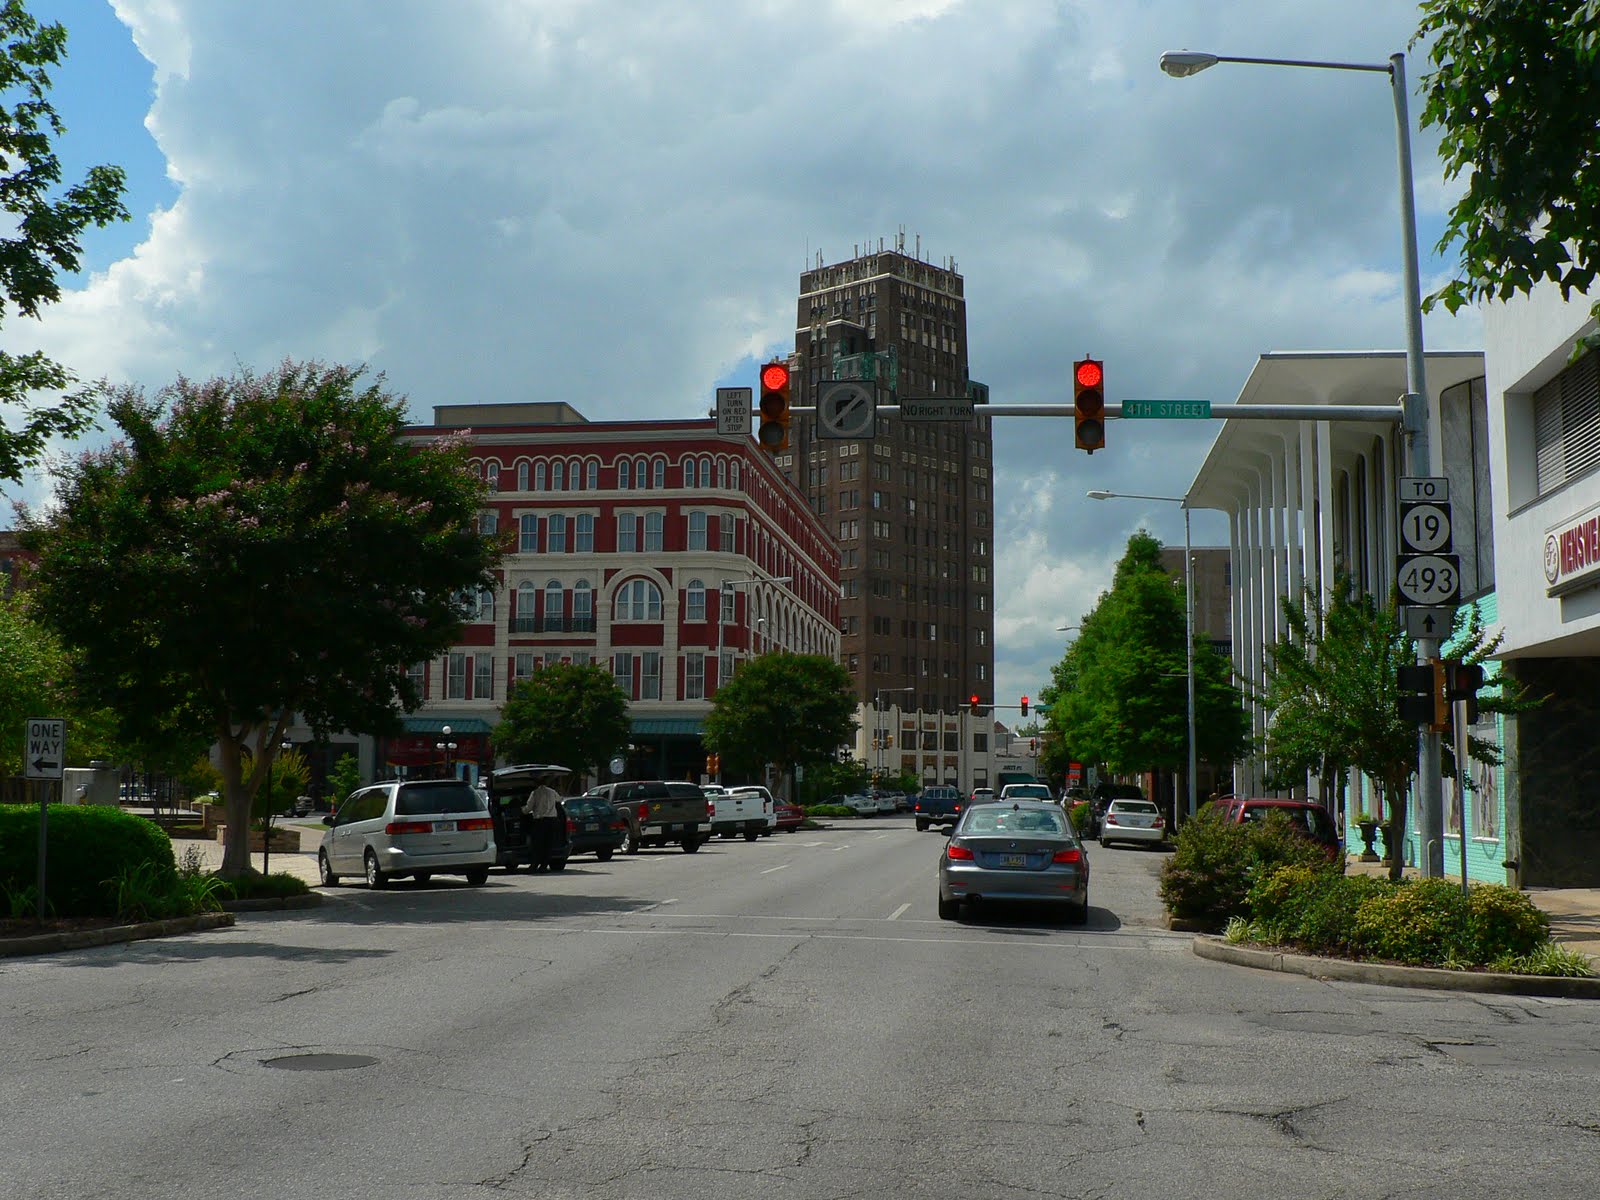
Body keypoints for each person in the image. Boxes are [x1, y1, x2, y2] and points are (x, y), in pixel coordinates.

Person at [523, 780, 563, 871]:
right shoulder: (552, 792)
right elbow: (559, 799)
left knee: (537, 844)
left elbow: (528, 808)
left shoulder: (535, 793)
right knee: (548, 844)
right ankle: (544, 866)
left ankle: (534, 864)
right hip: (551, 821)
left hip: (540, 821)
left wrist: (521, 811)